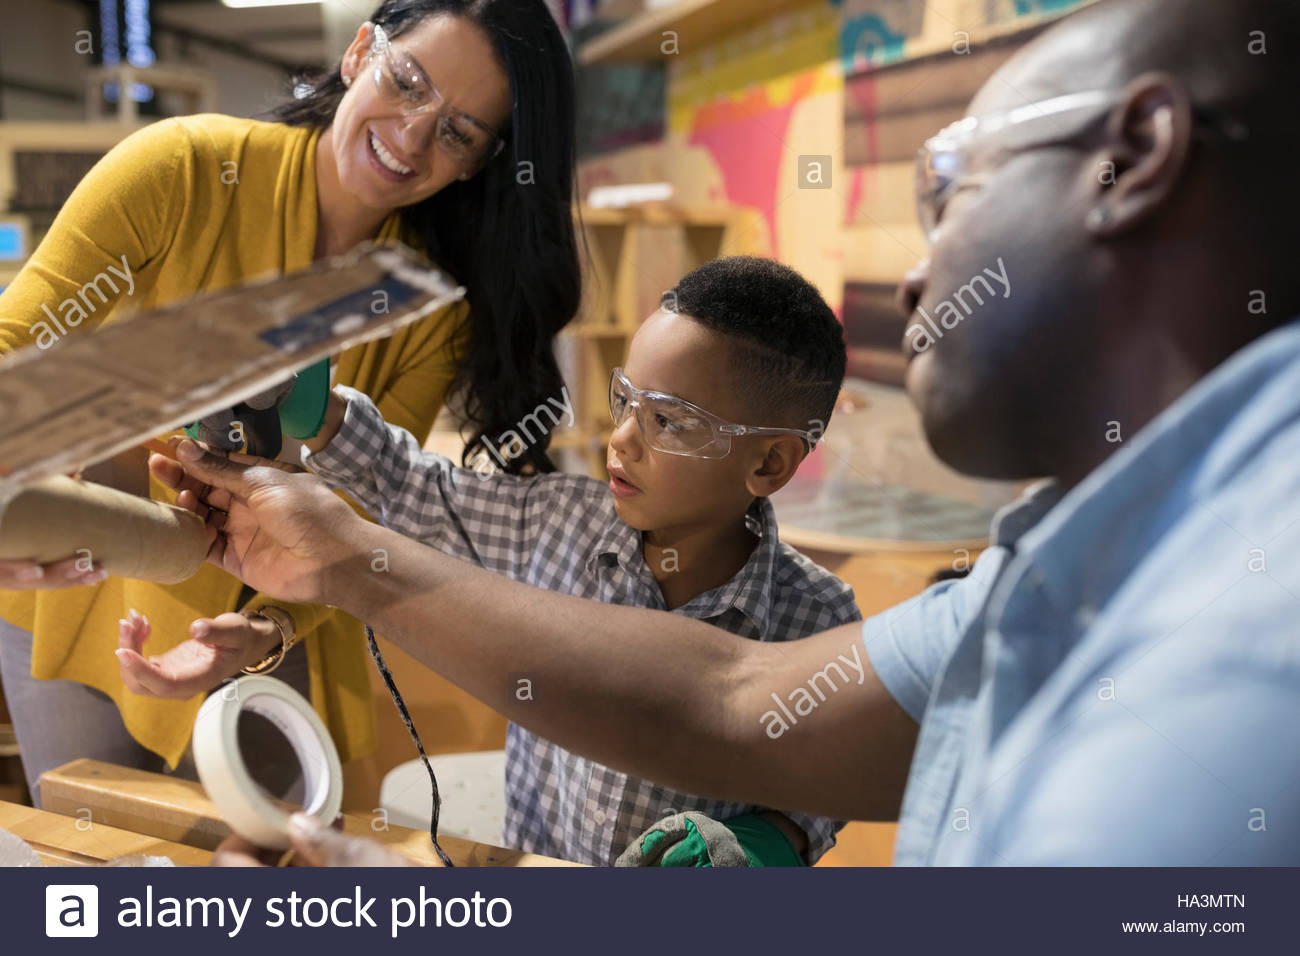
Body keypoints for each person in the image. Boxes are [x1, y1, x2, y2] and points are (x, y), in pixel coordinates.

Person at [147, 0, 1297, 865]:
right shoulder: (1042, 579)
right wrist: (319, 432)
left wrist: (766, 846)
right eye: (630, 405)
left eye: (949, 185)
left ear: (1135, 153)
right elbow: (731, 703)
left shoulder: (1248, 629)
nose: (913, 276)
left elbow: (759, 737)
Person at [0, 0, 580, 806]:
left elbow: (361, 508)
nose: (412, 137)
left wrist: (265, 632)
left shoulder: (430, 308)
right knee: (92, 883)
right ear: (358, 53)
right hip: (84, 590)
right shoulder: (180, 170)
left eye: (458, 132)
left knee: (257, 903)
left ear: (481, 164)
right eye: (407, 82)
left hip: (276, 619)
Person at [126, 257, 858, 865]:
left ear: (770, 462)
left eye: (668, 420)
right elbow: (412, 483)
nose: (622, 439)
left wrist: (759, 847)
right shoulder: (555, 521)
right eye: (625, 398)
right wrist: (311, 409)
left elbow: (821, 793)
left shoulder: (820, 618)